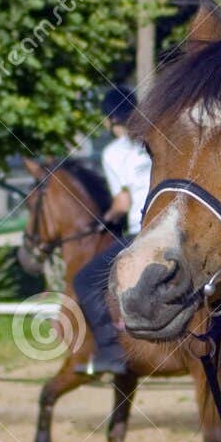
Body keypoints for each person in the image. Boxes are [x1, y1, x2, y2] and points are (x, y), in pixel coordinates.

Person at [74, 85, 151, 377]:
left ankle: (110, 352)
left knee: (85, 282)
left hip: (141, 233)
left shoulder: (113, 153)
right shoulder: (154, 139)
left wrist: (102, 221)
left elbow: (123, 203)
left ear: (109, 120)